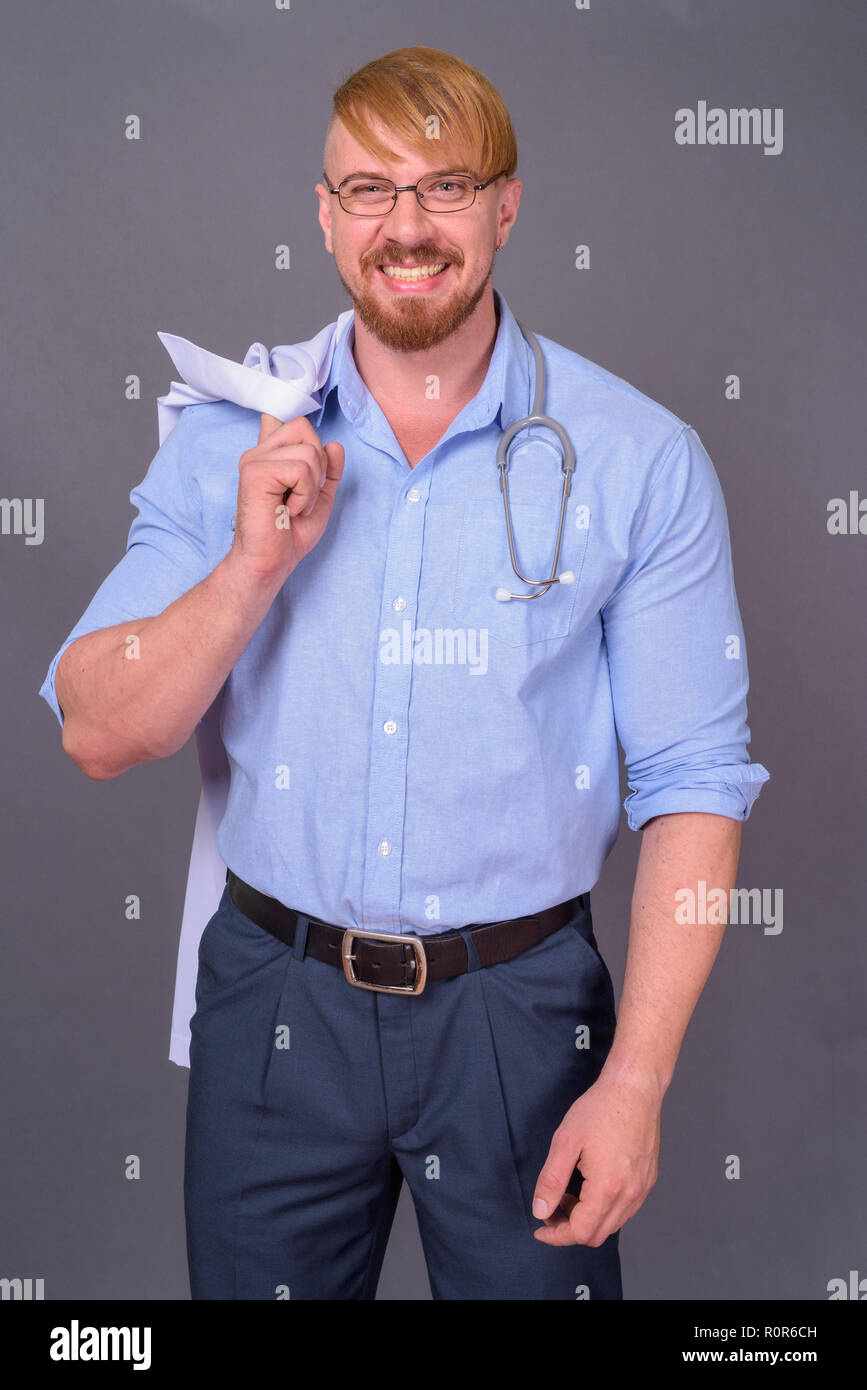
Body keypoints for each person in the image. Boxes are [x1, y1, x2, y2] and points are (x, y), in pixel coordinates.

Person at [39, 45, 769, 1300]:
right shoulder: (233, 434)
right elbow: (101, 729)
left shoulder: (641, 459)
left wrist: (635, 1080)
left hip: (522, 1016)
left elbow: (694, 784)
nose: (408, 226)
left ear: (507, 204)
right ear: (325, 219)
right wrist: (249, 568)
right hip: (275, 1002)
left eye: (444, 185)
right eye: (369, 191)